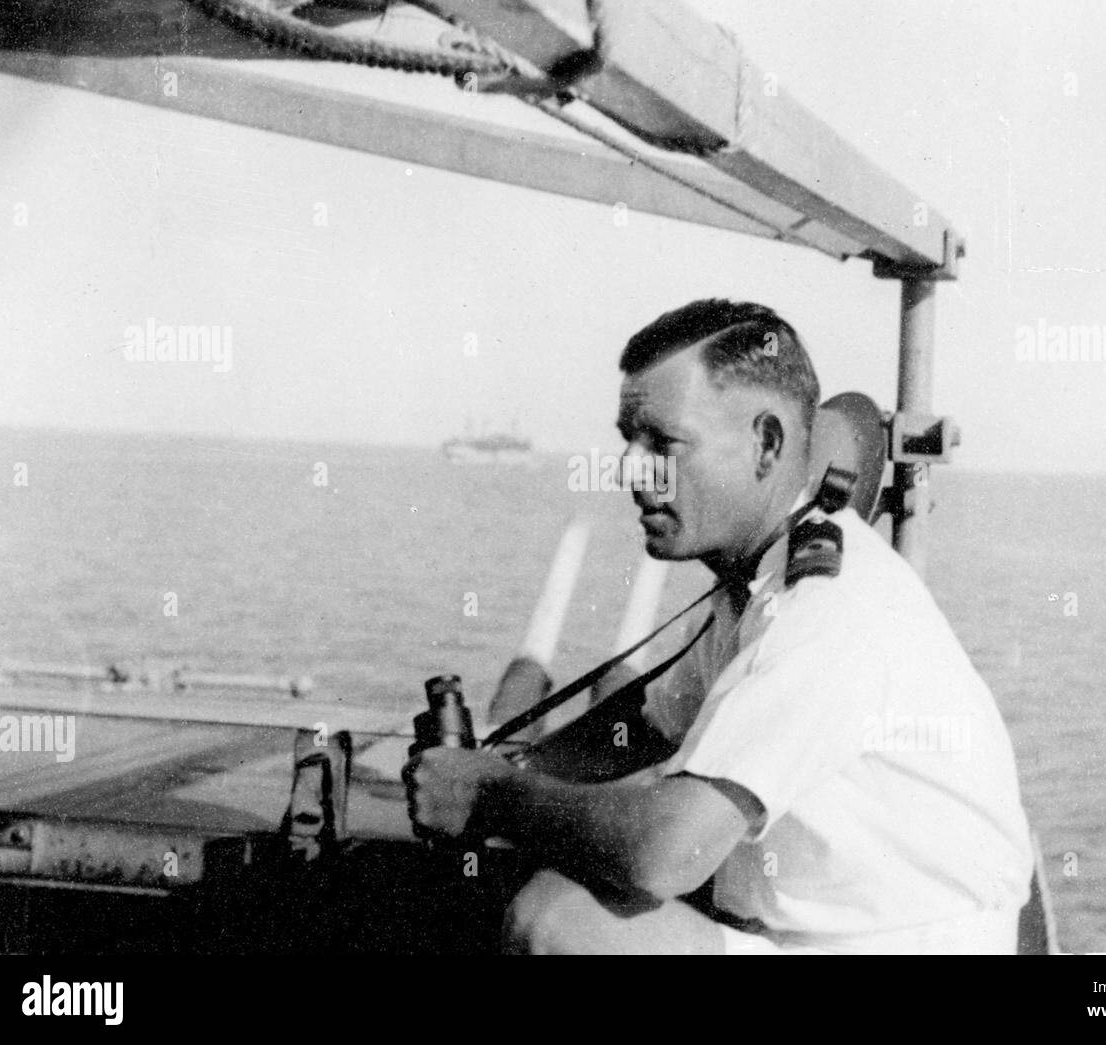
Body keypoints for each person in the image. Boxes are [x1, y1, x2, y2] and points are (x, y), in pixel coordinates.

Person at [405, 299, 1034, 954]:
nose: (629, 470)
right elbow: (642, 726)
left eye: (662, 442)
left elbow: (666, 852)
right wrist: (504, 764)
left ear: (766, 442)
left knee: (558, 922)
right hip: (816, 936)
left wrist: (493, 795)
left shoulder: (828, 612)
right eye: (628, 437)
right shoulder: (757, 582)